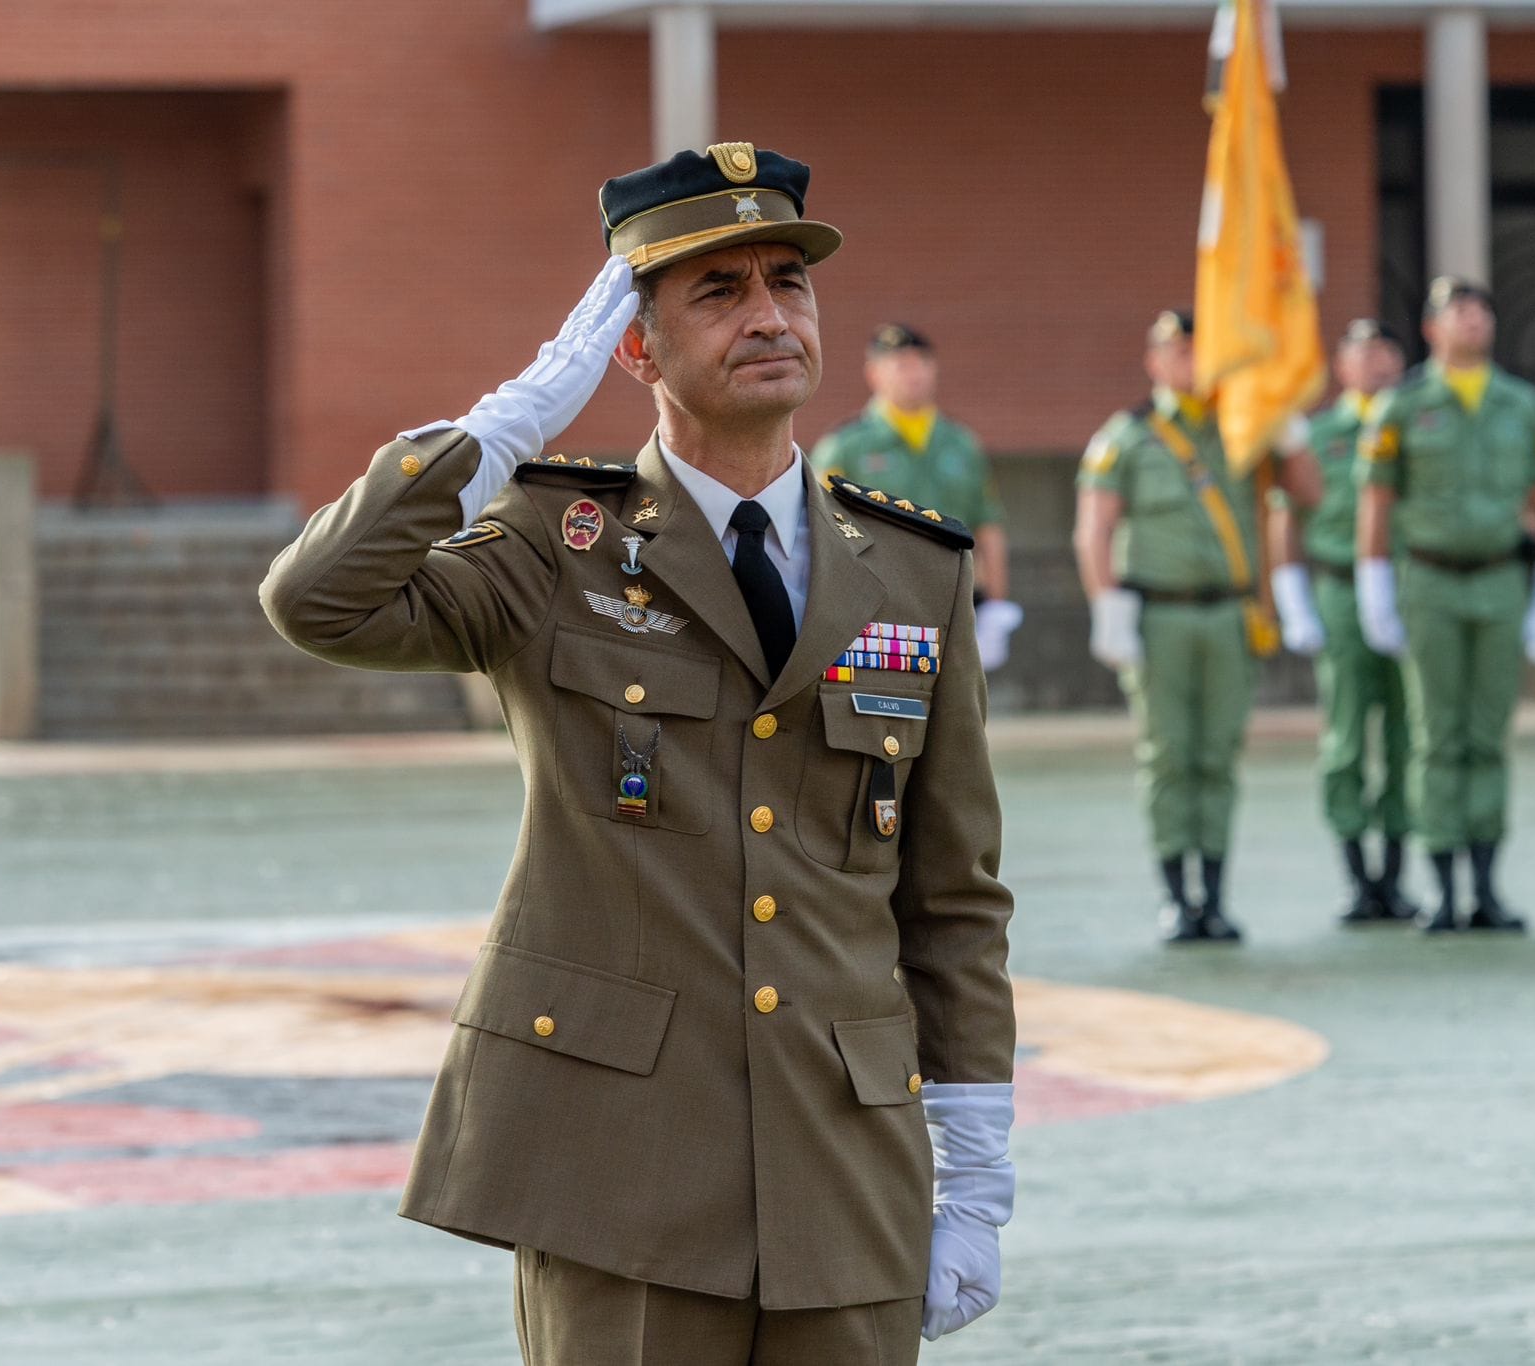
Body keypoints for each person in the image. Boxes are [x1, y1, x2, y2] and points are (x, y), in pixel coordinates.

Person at [261, 142, 1016, 1365]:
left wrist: (974, 1158)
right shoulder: (551, 544)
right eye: (717, 292)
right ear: (633, 346)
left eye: (789, 281)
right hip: (619, 1176)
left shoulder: (910, 571)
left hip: (847, 1176)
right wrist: (500, 429)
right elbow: (317, 600)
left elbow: (951, 897)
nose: (770, 315)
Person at [1075, 309, 1318, 945]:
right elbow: (1094, 529)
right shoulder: (1128, 437)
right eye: (1176, 351)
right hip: (1160, 616)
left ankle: (1214, 894)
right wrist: (1109, 609)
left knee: (1218, 758)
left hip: (1229, 614)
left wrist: (1287, 427)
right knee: (1168, 758)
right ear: (1154, 362)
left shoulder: (1242, 428)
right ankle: (1176, 895)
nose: (1188, 362)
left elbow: (1308, 492)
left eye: (1198, 351)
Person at [1354, 277, 1535, 934]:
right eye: (1459, 313)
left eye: (1482, 313)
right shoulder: (1404, 406)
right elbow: (1377, 505)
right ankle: (1443, 886)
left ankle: (1487, 885)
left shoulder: (1521, 403)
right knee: (1437, 737)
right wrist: (1375, 589)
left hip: (1500, 580)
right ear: (1432, 329)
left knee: (1488, 735)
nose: (1473, 323)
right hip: (1432, 583)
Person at [1268, 318, 1419, 925]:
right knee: (1348, 735)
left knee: (1410, 737)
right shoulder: (1320, 435)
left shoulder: (1417, 426)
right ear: (1342, 368)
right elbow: (1286, 515)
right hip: (1338, 589)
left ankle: (1398, 873)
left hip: (1411, 591)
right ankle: (1358, 876)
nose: (1378, 363)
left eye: (1388, 351)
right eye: (1364, 352)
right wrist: (1293, 598)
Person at [813, 325, 1021, 669]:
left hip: (956, 598)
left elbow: (987, 523)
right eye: (900, 364)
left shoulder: (961, 444)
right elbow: (822, 528)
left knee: (958, 714)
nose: (914, 374)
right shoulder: (846, 447)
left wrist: (996, 604)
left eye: (922, 363)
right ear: (874, 373)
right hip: (880, 603)